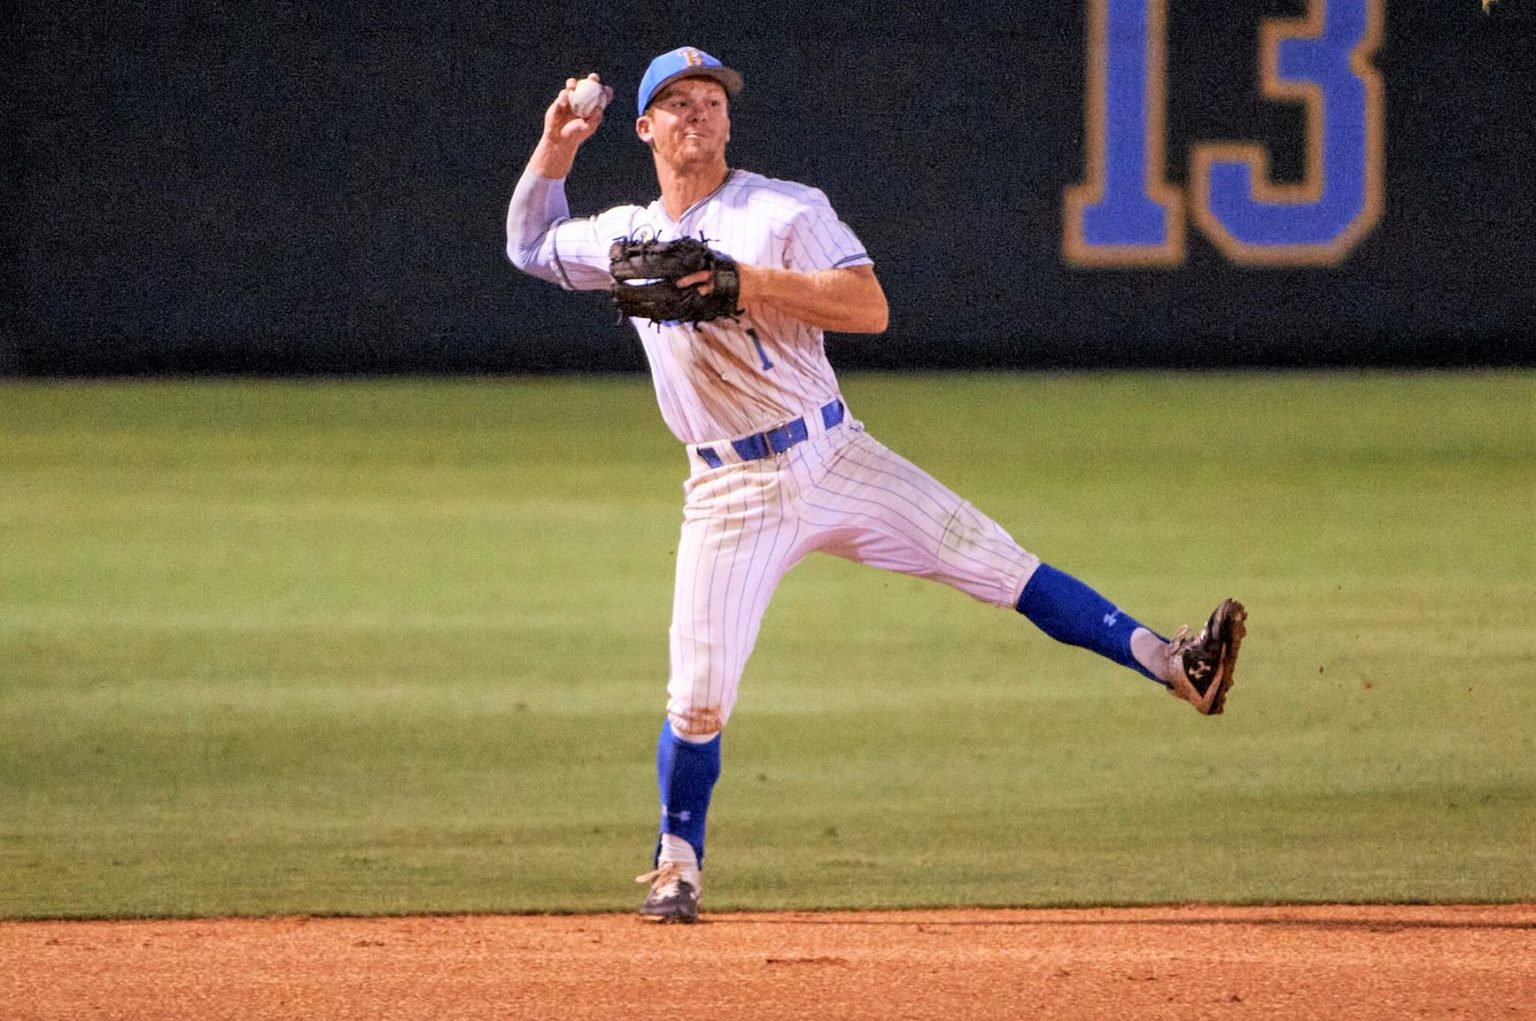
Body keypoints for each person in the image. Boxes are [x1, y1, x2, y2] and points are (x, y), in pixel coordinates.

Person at [505, 46, 1246, 924]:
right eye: (679, 104)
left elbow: (869, 306)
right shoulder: (627, 235)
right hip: (728, 490)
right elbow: (528, 244)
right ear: (645, 127)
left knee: (1001, 563)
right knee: (698, 696)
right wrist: (556, 145)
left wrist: (749, 281)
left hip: (834, 454)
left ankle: (1176, 663)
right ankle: (676, 866)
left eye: (712, 101)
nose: (699, 114)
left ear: (729, 121)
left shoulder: (783, 210)